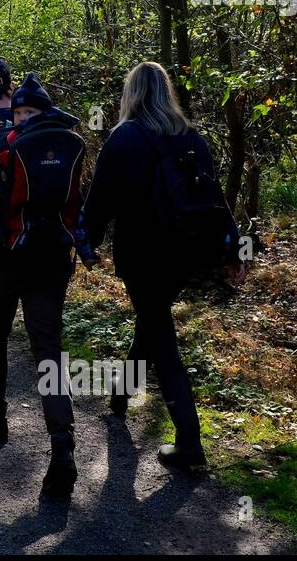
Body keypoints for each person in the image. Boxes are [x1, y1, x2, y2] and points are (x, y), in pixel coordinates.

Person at [83, 61, 246, 470]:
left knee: (161, 338)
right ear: (166, 92)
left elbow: (100, 199)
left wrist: (85, 245)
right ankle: (121, 398)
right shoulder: (191, 137)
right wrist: (233, 251)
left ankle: (190, 443)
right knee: (151, 321)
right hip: (186, 256)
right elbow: (215, 199)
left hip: (143, 256)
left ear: (132, 94)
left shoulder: (124, 138)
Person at [0, 59, 94, 498]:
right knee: (49, 351)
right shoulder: (47, 126)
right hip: (50, 254)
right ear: (9, 90)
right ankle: (63, 450)